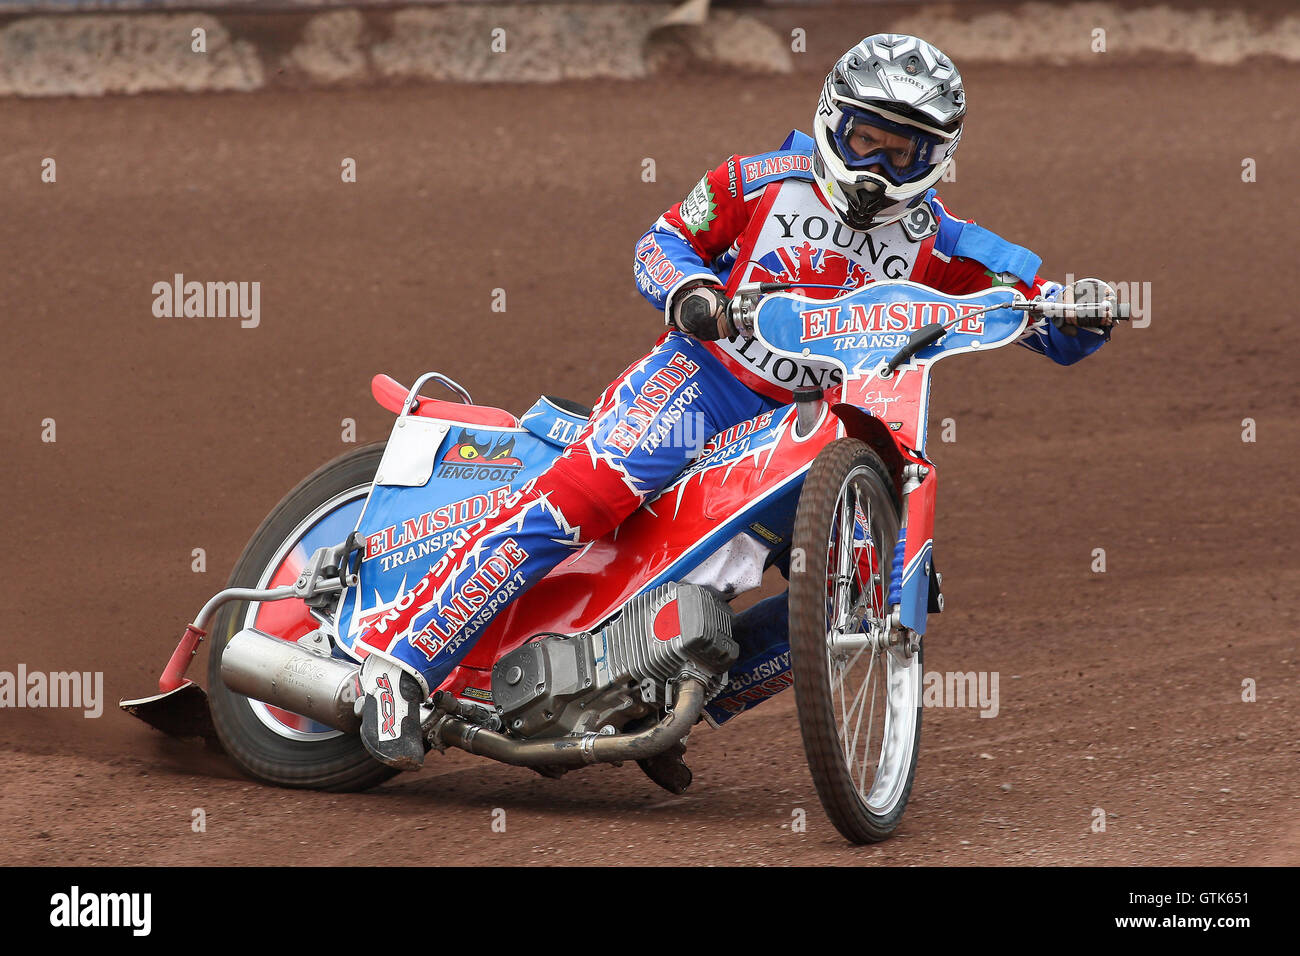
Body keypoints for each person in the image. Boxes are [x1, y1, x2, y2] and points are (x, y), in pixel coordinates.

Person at [355, 33, 1115, 770]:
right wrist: (692, 292)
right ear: (831, 117)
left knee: (859, 588)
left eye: (902, 150)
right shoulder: (758, 179)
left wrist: (1079, 307)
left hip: (810, 423)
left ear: (938, 157)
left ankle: (651, 690)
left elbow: (1036, 311)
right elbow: (661, 242)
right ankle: (402, 666)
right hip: (704, 382)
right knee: (585, 497)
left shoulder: (948, 244)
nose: (877, 165)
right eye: (864, 139)